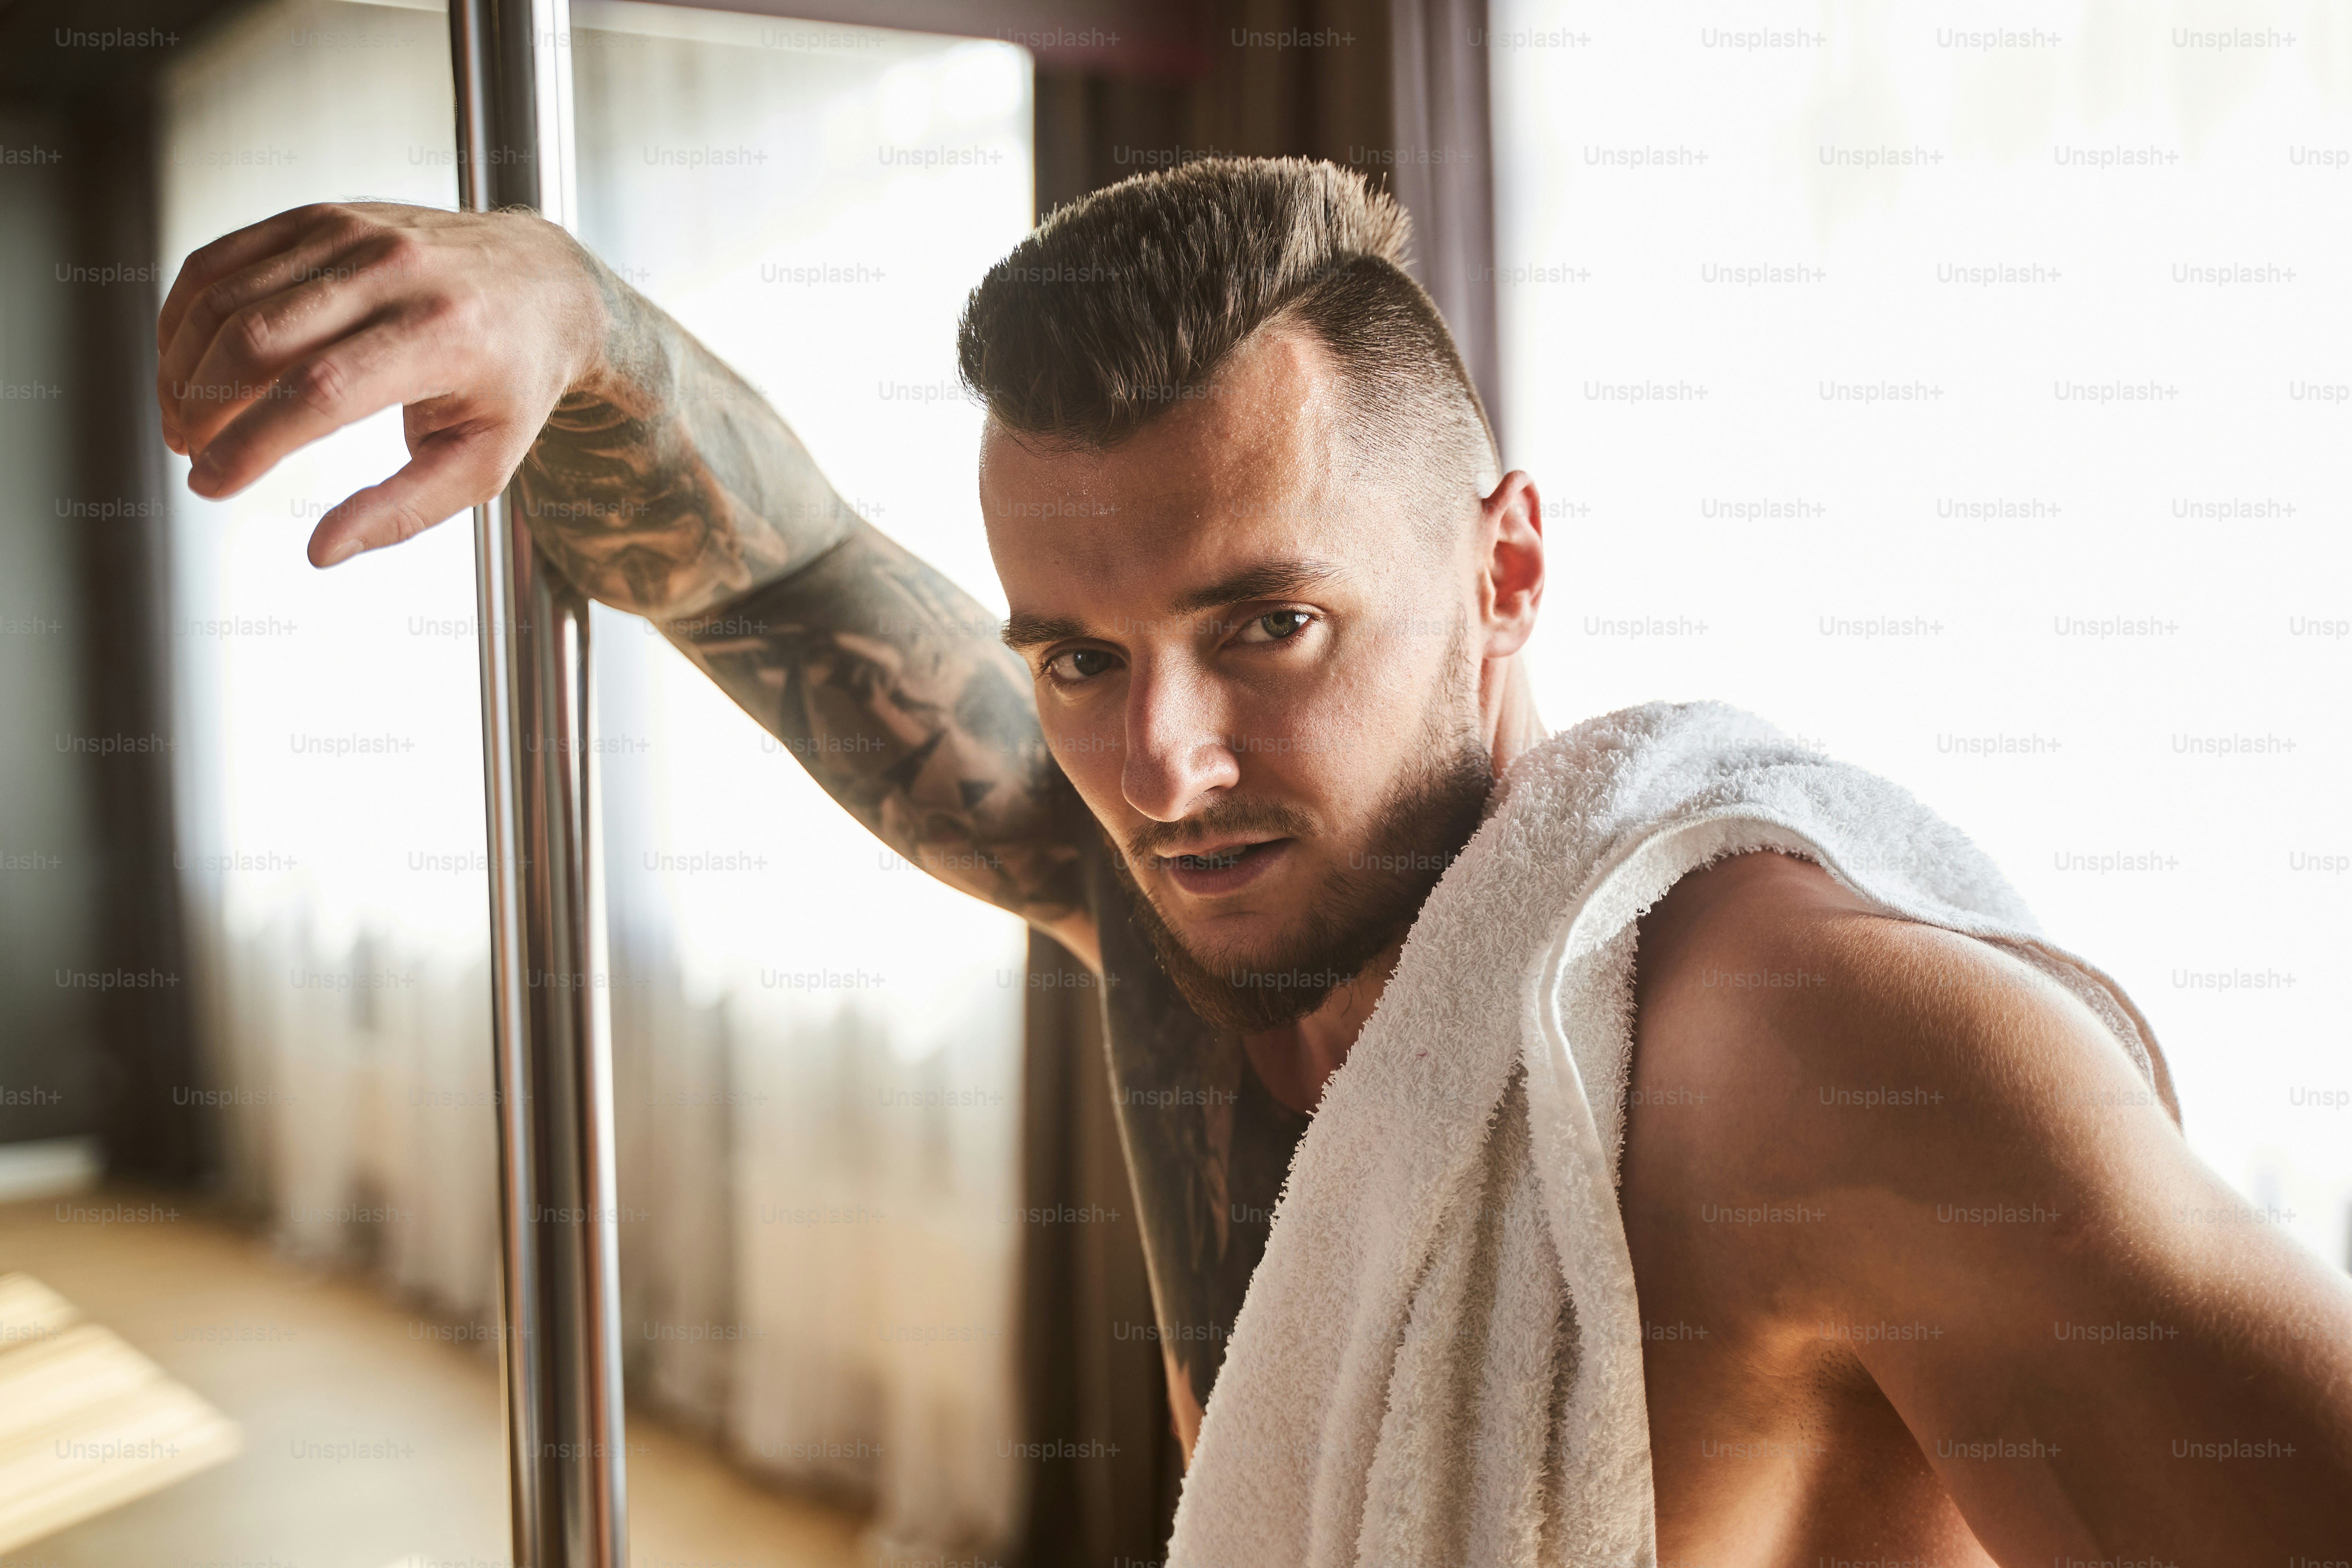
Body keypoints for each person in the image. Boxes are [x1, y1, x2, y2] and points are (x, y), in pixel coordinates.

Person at [156, 158, 2352, 1562]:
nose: (1165, 758)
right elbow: (797, 569)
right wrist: (578, 313)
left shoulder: (1820, 1053)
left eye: (1268, 624)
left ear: (1504, 568)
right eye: (1079, 658)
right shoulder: (1177, 896)